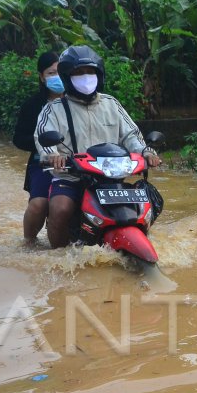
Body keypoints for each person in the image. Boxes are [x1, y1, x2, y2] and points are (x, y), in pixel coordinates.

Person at [34, 45, 161, 249]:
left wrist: (146, 152)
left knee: (144, 207)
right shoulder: (54, 109)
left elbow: (131, 134)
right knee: (60, 209)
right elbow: (43, 136)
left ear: (99, 74)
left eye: (90, 72)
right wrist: (53, 155)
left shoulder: (111, 104)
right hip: (72, 178)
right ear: (67, 77)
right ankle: (59, 258)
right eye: (78, 73)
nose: (85, 77)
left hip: (111, 179)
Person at [12, 51, 63, 244]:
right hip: (43, 163)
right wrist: (45, 146)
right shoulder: (33, 106)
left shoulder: (77, 102)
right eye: (51, 73)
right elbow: (18, 139)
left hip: (78, 162)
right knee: (38, 205)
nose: (56, 77)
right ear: (42, 77)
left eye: (60, 71)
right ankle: (28, 241)